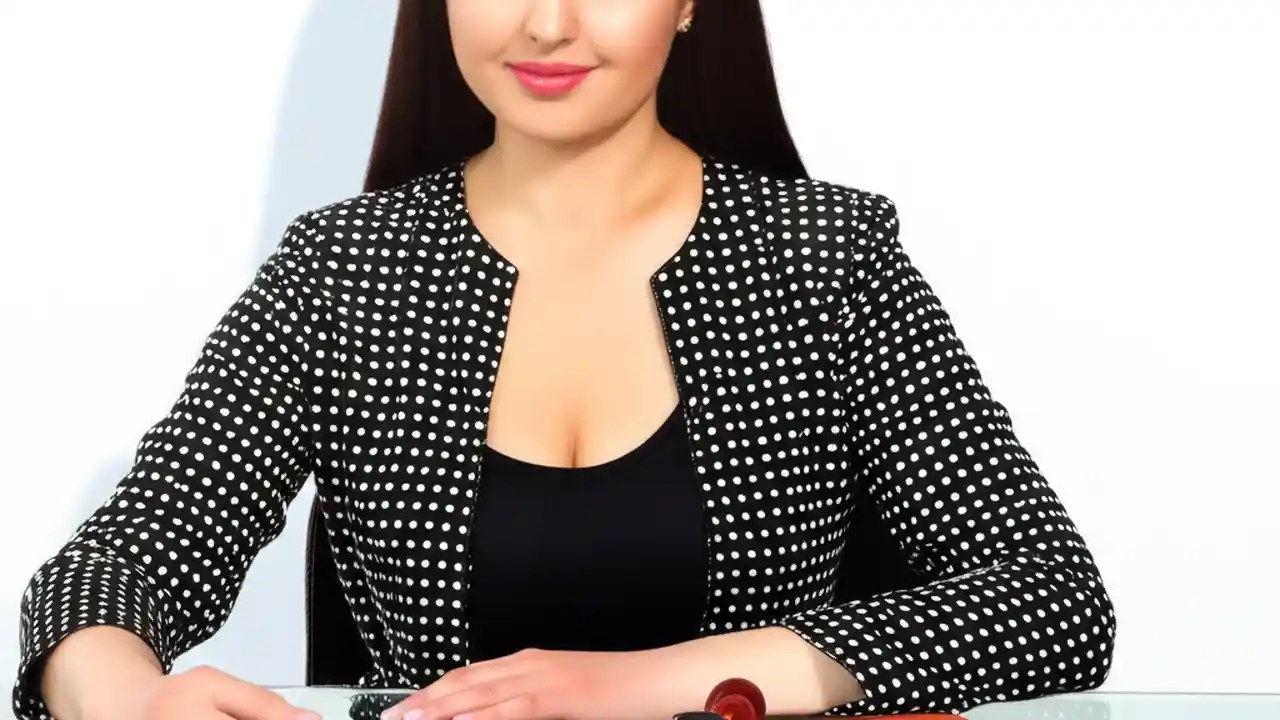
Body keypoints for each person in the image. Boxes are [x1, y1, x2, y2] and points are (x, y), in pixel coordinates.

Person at [15, 2, 1118, 719]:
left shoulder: (824, 257)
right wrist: (123, 695)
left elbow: (1051, 599)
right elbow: (120, 561)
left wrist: (638, 688)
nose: (547, 24)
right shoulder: (340, 270)